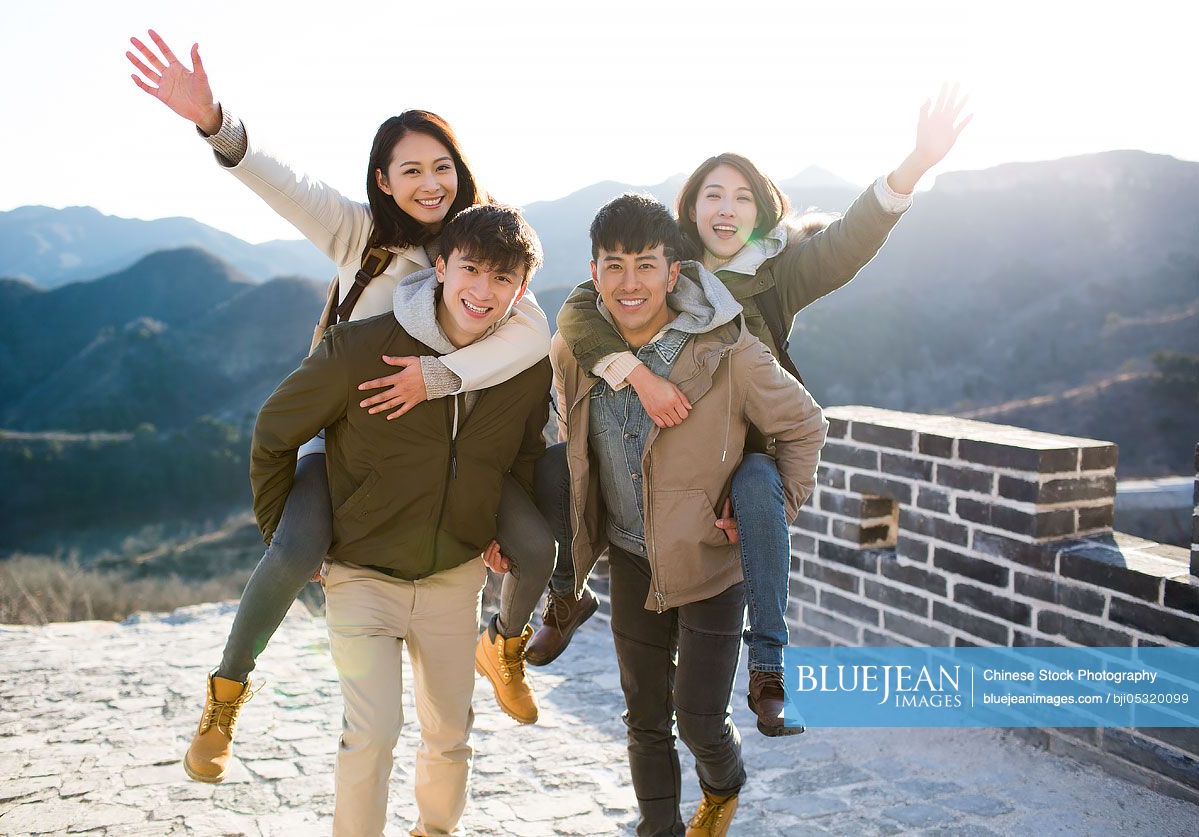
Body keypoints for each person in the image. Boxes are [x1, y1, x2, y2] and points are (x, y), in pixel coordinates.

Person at [125, 30, 555, 784]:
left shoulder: (483, 249)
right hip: (351, 444)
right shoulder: (361, 237)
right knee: (293, 552)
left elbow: (532, 332)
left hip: (454, 451)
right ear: (383, 181)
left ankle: (508, 642)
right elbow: (281, 180)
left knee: (540, 536)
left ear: (462, 172)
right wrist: (213, 120)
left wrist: (439, 379)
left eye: (442, 166)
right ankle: (224, 701)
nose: (430, 182)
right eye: (410, 170)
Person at [530, 87, 971, 736]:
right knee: (565, 460)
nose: (725, 206)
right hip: (655, 436)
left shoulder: (778, 273)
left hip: (742, 453)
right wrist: (629, 371)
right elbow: (575, 308)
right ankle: (566, 596)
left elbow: (850, 240)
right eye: (712, 193)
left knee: (761, 490)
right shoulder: (660, 264)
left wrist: (914, 164)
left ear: (761, 210)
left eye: (741, 196)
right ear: (691, 208)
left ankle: (767, 671)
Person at [249, 203, 551, 836]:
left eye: (503, 279)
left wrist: (497, 526)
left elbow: (521, 453)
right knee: (372, 735)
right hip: (361, 579)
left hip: (454, 580)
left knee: (449, 737)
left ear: (521, 290)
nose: (483, 291)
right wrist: (292, 538)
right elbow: (275, 433)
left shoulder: (523, 366)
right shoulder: (362, 348)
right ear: (439, 266)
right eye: (470, 269)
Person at [551, 194, 826, 836]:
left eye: (645, 265)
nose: (629, 283)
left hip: (709, 565)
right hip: (629, 559)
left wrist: (766, 517)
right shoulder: (577, 351)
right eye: (613, 266)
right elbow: (553, 433)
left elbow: (804, 426)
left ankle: (724, 782)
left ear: (673, 273)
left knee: (698, 718)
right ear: (594, 273)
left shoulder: (728, 350)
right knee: (644, 718)